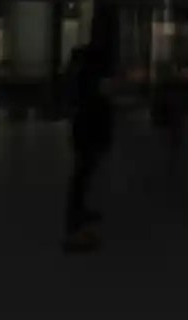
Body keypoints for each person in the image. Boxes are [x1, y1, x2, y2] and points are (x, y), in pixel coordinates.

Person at [63, 44, 115, 252]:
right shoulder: (88, 80)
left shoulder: (79, 78)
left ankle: (78, 211)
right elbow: (97, 106)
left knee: (83, 172)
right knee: (84, 171)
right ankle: (77, 216)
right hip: (89, 131)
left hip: (85, 130)